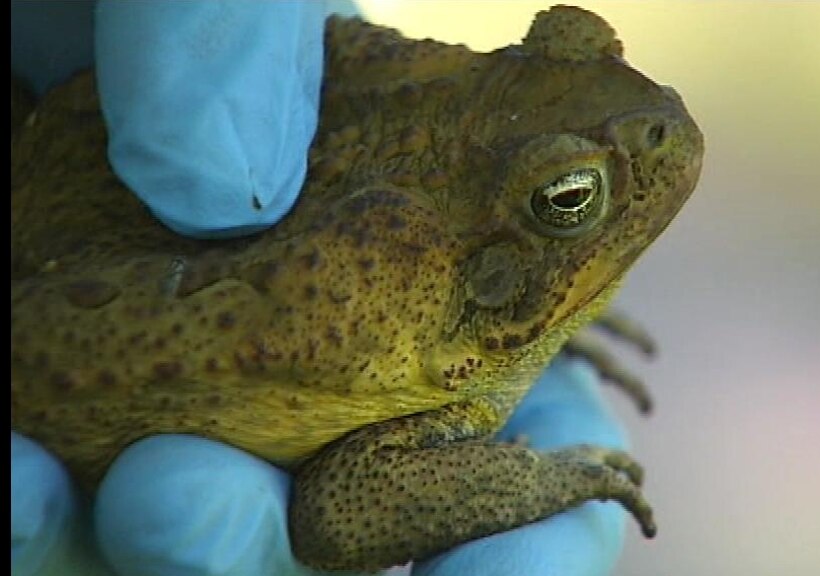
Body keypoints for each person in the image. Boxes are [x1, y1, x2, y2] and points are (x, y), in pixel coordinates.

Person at [10, 3, 636, 575]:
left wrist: (559, 317)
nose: (653, 115)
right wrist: (541, 480)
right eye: (571, 196)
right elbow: (346, 503)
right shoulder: (423, 345)